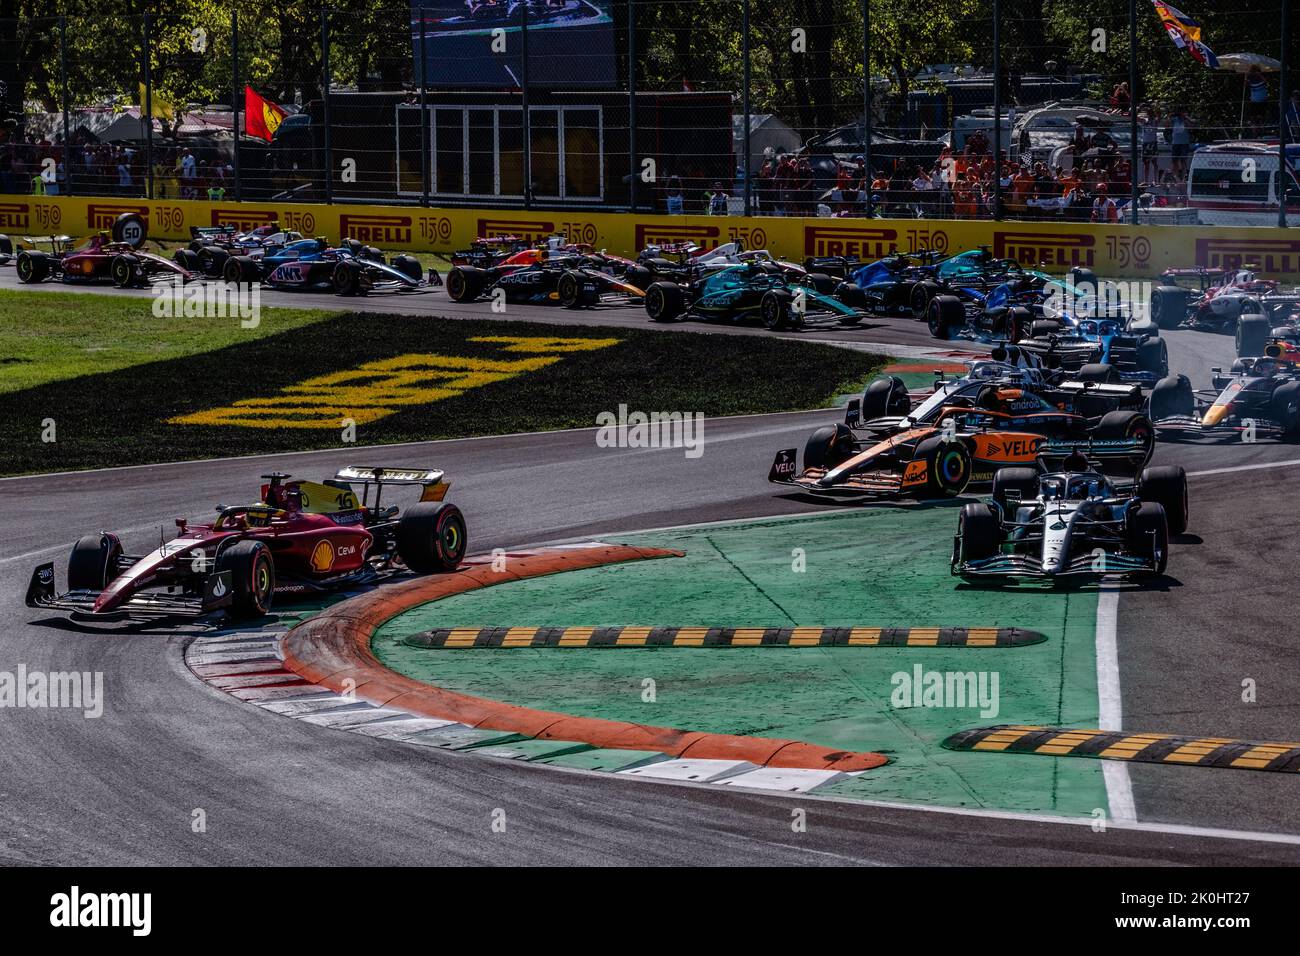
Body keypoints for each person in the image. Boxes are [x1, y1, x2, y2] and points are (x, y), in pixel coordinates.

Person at [1140, 105, 1161, 182]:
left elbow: (1159, 117)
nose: (1149, 114)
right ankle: (1146, 181)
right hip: (1145, 144)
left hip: (1153, 143)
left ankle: (1156, 180)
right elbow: (1136, 118)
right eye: (1148, 113)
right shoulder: (1144, 121)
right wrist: (1139, 108)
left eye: (1151, 113)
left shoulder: (1155, 121)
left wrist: (1156, 108)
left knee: (1155, 162)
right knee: (1146, 163)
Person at [1169, 110, 1191, 180]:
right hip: (1175, 143)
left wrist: (1185, 118)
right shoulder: (1174, 120)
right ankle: (1175, 177)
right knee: (1174, 161)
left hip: (1184, 143)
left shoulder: (1186, 120)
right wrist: (1170, 115)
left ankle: (1183, 178)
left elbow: (1191, 125)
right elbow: (1166, 124)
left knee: (1183, 160)